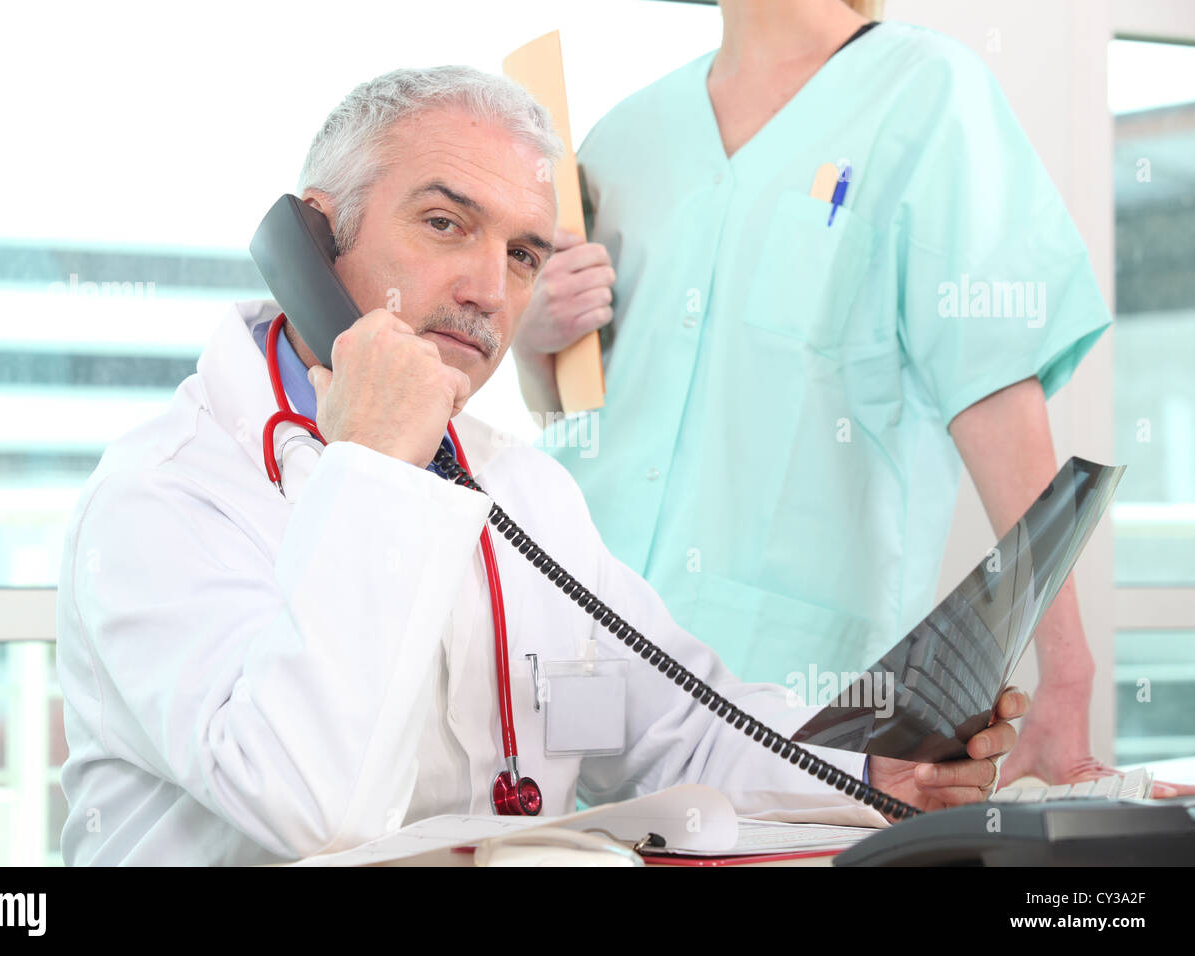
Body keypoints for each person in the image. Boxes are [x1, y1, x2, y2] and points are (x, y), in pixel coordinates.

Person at [56, 65, 1031, 866]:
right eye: (445, 223)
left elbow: (676, 730)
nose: (486, 288)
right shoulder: (165, 493)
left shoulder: (522, 491)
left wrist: (873, 773)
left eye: (524, 253)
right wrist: (372, 462)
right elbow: (312, 804)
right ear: (315, 237)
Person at [512, 0, 1188, 795]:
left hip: (807, 705)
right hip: (586, 684)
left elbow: (993, 385)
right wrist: (532, 339)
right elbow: (571, 417)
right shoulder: (622, 139)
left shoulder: (927, 93)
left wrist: (1066, 669)